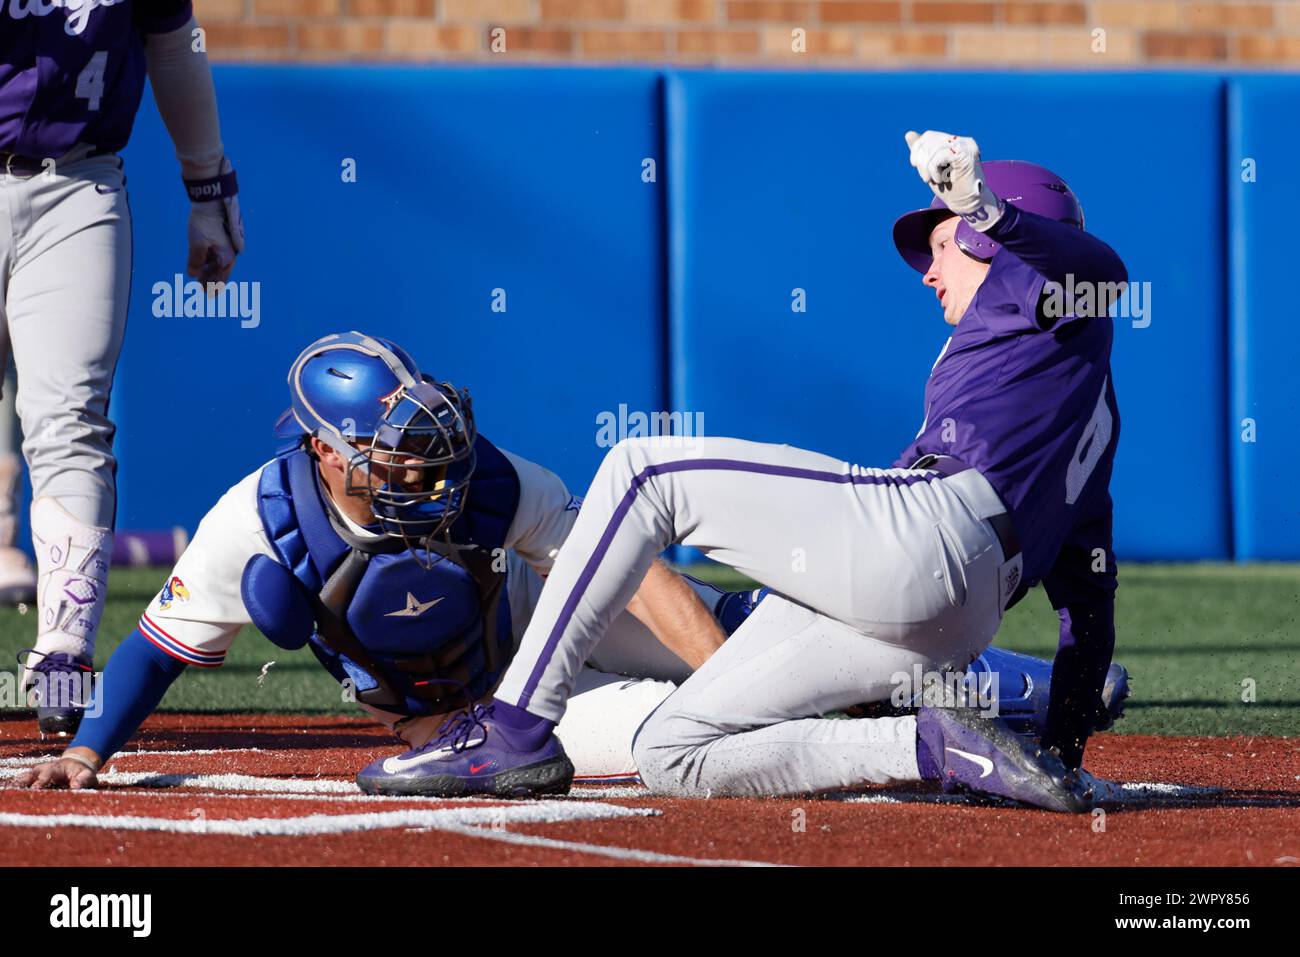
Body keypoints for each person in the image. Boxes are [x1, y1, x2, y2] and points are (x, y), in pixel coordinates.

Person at [367, 131, 1129, 813]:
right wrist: (1062, 755)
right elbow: (1087, 611)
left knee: (641, 468)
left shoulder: (1051, 289)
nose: (929, 271)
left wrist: (989, 210)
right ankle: (936, 748)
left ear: (994, 239)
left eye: (942, 244)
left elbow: (1098, 269)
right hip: (951, 619)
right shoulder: (1087, 406)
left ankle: (514, 728)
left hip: (930, 536)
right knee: (670, 751)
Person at [18, 330, 1114, 794]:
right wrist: (91, 753)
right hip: (454, 713)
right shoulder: (254, 526)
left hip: (545, 632)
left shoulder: (489, 481)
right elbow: (158, 652)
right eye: (394, 455)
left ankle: (1006, 687)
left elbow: (624, 560)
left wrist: (717, 671)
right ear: (325, 450)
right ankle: (941, 727)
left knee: (739, 656)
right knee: (655, 745)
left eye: (427, 443)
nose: (425, 469)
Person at [4, 1, 244, 736]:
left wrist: (208, 186)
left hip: (78, 182)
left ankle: (63, 654)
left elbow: (172, 45)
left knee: (70, 418)